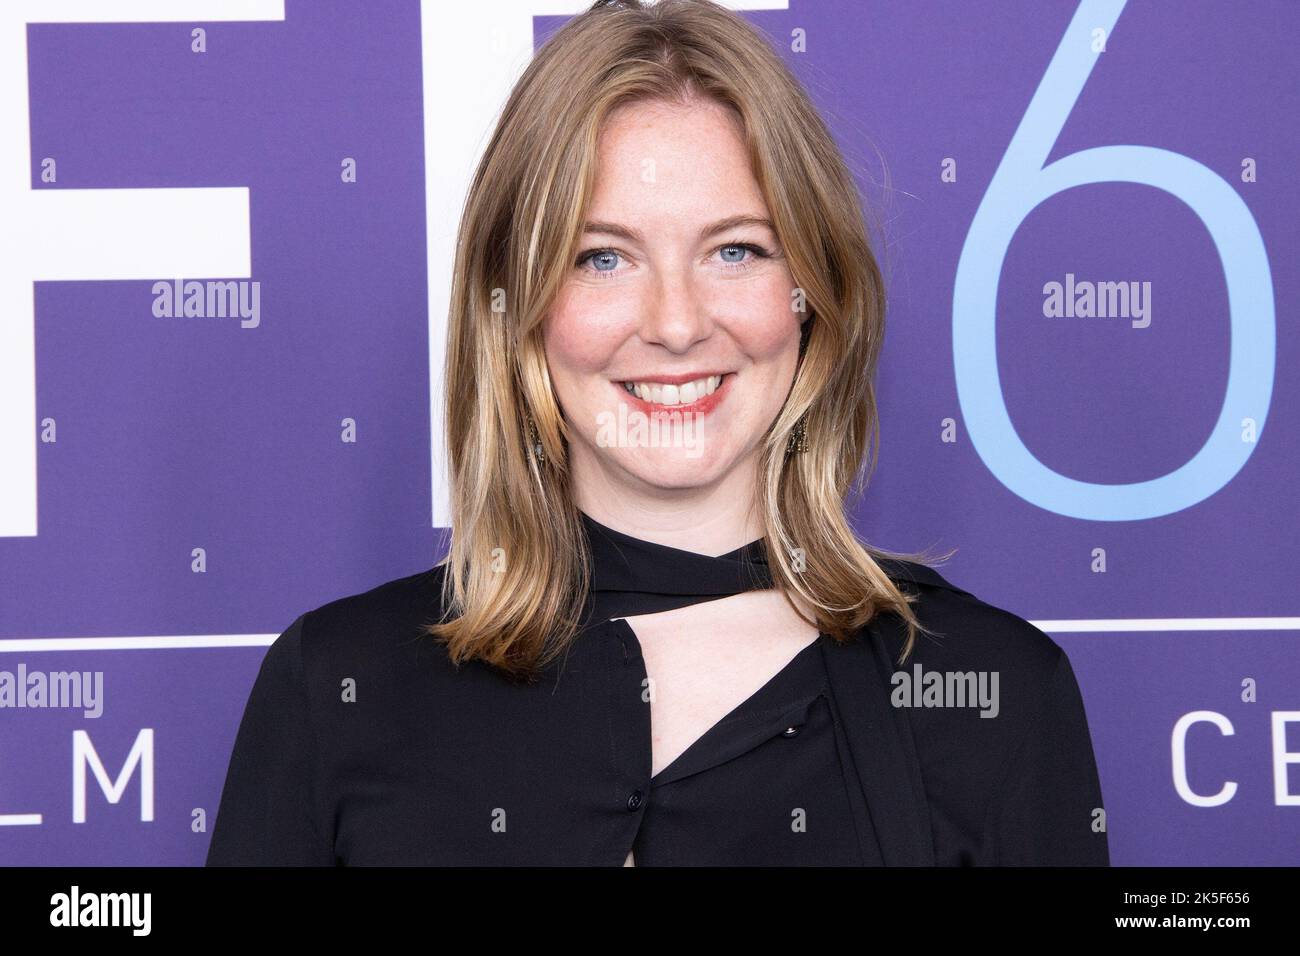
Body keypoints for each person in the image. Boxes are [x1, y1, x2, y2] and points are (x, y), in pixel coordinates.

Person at [206, 0, 1108, 867]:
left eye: (736, 250)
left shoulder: (996, 696)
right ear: (514, 306)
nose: (676, 324)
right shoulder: (337, 690)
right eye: (603, 257)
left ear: (812, 297)